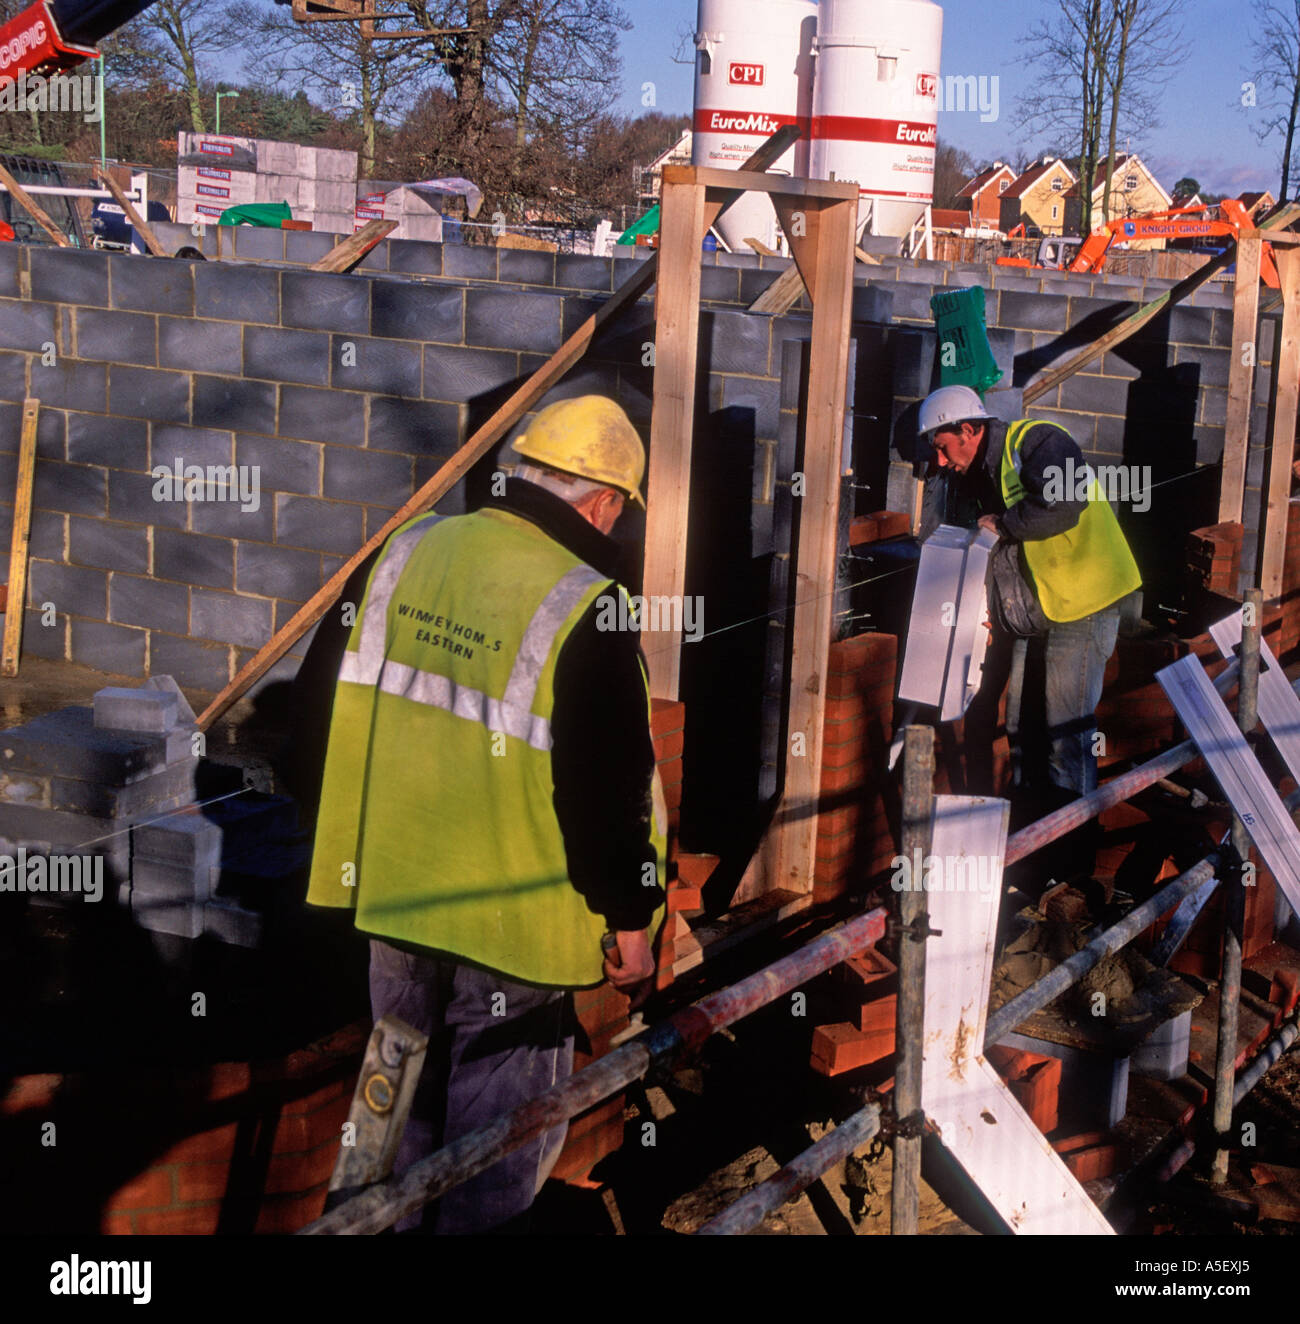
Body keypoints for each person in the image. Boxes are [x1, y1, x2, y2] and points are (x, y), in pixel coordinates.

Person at [306, 394, 667, 1234]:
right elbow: (607, 787)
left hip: (396, 895)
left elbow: (320, 704)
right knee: (495, 1154)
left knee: (388, 1105)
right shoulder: (589, 601)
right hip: (514, 926)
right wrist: (631, 916)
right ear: (604, 501)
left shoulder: (410, 548)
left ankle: (362, 1227)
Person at [916, 384, 1142, 884]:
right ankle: (1029, 852)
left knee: (1066, 737)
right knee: (1019, 728)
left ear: (969, 430)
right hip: (1037, 613)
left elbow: (1065, 504)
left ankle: (1072, 872)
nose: (939, 458)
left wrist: (1003, 521)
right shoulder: (978, 474)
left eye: (942, 444)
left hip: (1084, 603)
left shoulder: (1039, 440)